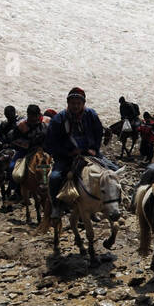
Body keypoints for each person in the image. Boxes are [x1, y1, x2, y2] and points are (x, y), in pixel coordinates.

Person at [44, 87, 105, 216]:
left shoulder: (91, 115)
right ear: (68, 103)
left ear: (84, 103)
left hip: (89, 154)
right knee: (54, 178)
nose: (76, 106)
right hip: (66, 157)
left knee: (111, 171)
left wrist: (94, 149)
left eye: (79, 103)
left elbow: (98, 133)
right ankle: (56, 206)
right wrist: (67, 153)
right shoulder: (58, 120)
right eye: (73, 103)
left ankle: (107, 203)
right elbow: (50, 143)